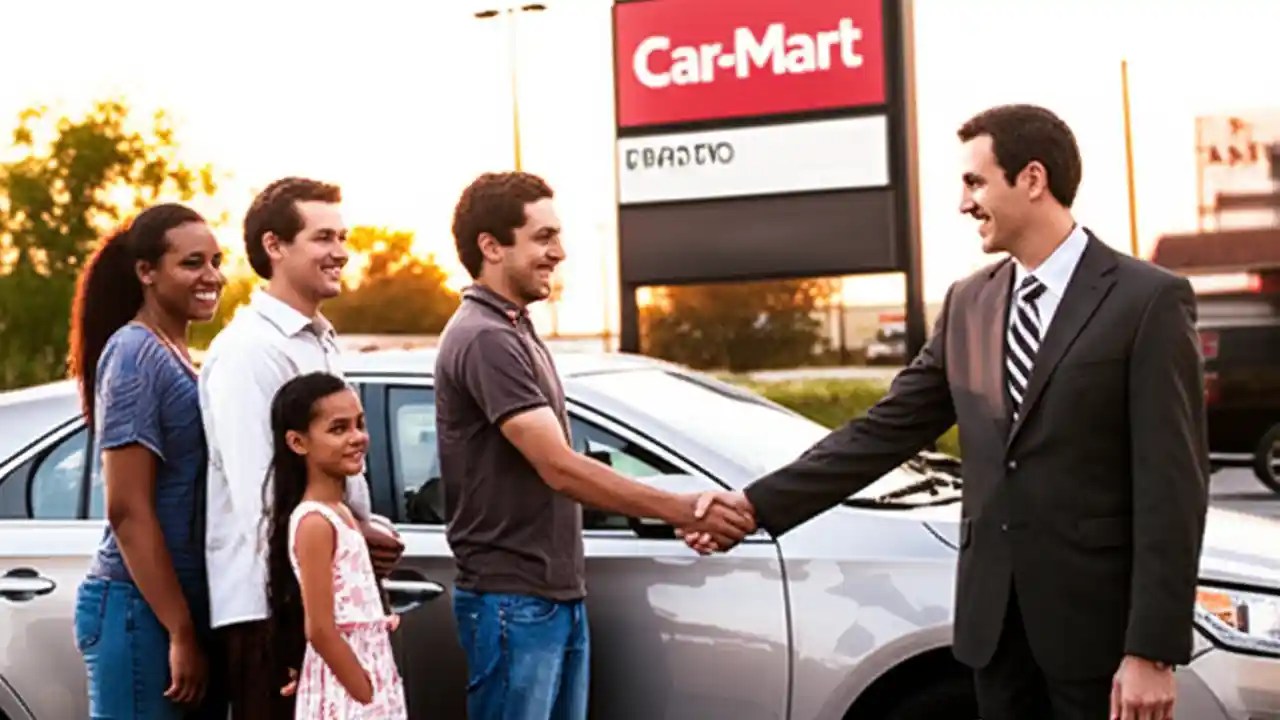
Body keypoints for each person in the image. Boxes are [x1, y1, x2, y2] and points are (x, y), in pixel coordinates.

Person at [687, 104, 1209, 720]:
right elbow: (883, 431)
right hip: (994, 636)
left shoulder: (1147, 301)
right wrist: (756, 506)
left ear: (1033, 179)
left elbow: (1172, 487)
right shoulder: (970, 303)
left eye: (975, 181)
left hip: (1099, 641)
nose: (964, 203)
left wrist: (1151, 649)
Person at [436, 171, 754, 720]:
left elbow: (574, 463)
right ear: (491, 246)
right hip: (513, 601)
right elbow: (559, 467)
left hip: (548, 595)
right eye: (543, 237)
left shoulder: (513, 329)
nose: (558, 252)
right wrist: (682, 509)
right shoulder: (485, 338)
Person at [198, 176, 405, 719]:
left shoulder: (319, 338)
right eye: (323, 238)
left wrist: (365, 527)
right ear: (274, 246)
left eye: (342, 236)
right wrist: (298, 629)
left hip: (324, 607)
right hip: (274, 610)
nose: (340, 251)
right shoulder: (249, 351)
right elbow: (261, 499)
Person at [68, 203, 228, 718]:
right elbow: (127, 509)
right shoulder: (135, 354)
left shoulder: (177, 355)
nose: (212, 276)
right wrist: (179, 628)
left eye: (215, 261)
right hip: (138, 609)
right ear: (146, 272)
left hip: (172, 604)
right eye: (192, 263)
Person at [264, 371, 408, 719]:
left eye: (359, 424)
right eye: (338, 429)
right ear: (298, 443)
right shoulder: (314, 522)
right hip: (348, 691)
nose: (357, 437)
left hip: (372, 672)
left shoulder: (341, 512)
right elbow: (320, 628)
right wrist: (364, 691)